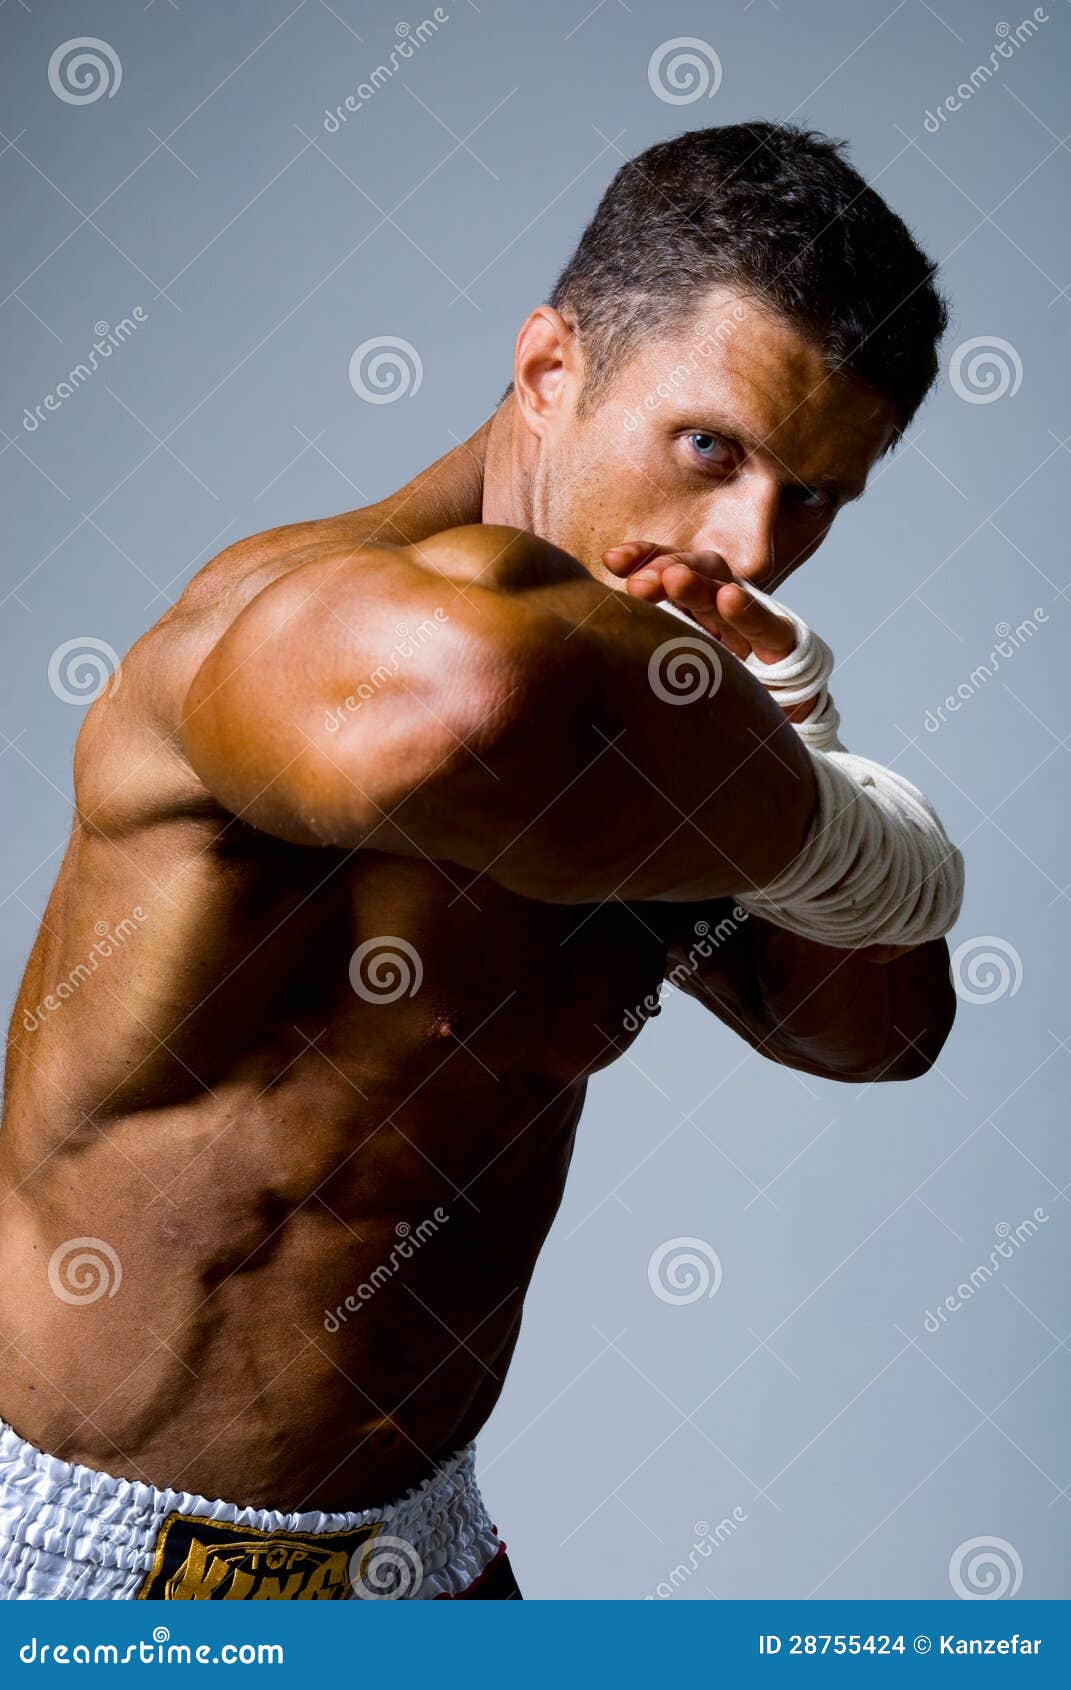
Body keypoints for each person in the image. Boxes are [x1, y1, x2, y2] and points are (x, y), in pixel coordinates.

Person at [0, 122, 961, 1600]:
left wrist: (795, 728)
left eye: (817, 495)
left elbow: (880, 1027)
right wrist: (840, 821)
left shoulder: (675, 718)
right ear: (547, 371)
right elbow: (464, 712)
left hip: (423, 1557)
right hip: (86, 1573)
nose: (752, 545)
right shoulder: (283, 625)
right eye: (712, 448)